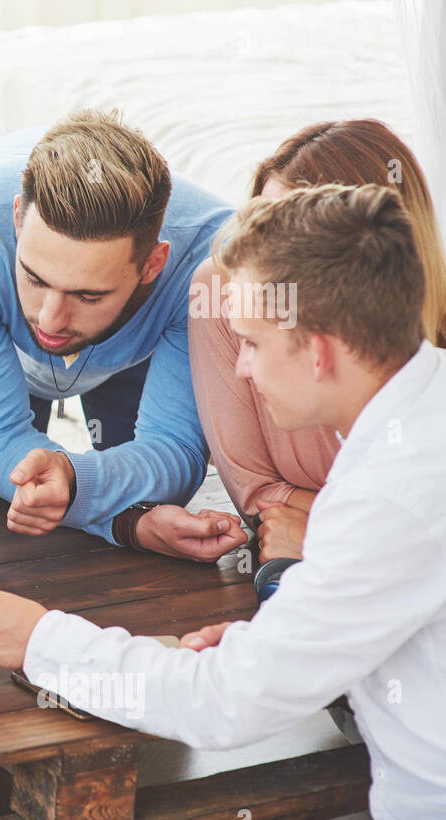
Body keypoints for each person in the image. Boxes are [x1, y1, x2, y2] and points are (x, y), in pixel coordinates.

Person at [0, 185, 446, 820]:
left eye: (254, 342)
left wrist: (37, 639)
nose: (240, 365)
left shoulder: (388, 491)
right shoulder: (417, 418)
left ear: (319, 352)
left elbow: (225, 703)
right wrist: (284, 639)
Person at [0, 109, 245, 561]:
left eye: (87, 295)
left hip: (133, 358)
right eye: (33, 278)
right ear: (16, 220)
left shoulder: (214, 265)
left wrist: (80, 481)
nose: (49, 320)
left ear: (153, 265)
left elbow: (175, 452)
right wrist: (123, 520)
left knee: (156, 519)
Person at [161, 120, 446, 563]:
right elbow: (254, 491)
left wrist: (324, 534)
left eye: (290, 228)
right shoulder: (221, 292)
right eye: (260, 223)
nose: (267, 253)